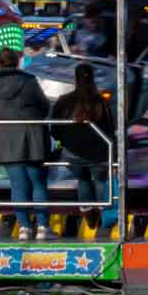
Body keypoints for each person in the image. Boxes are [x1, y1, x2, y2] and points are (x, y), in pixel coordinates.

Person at [0, 48, 52, 240]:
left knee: (17, 184)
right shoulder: (29, 81)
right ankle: (44, 227)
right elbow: (44, 107)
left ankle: (24, 228)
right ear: (17, 62)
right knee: (37, 182)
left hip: (4, 140)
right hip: (31, 137)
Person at [50, 64, 111, 234]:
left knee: (83, 181)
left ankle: (89, 218)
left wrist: (65, 142)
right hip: (98, 153)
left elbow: (55, 129)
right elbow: (110, 128)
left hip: (72, 153)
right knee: (100, 181)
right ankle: (104, 218)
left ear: (75, 79)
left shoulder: (64, 101)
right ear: (92, 78)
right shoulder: (101, 101)